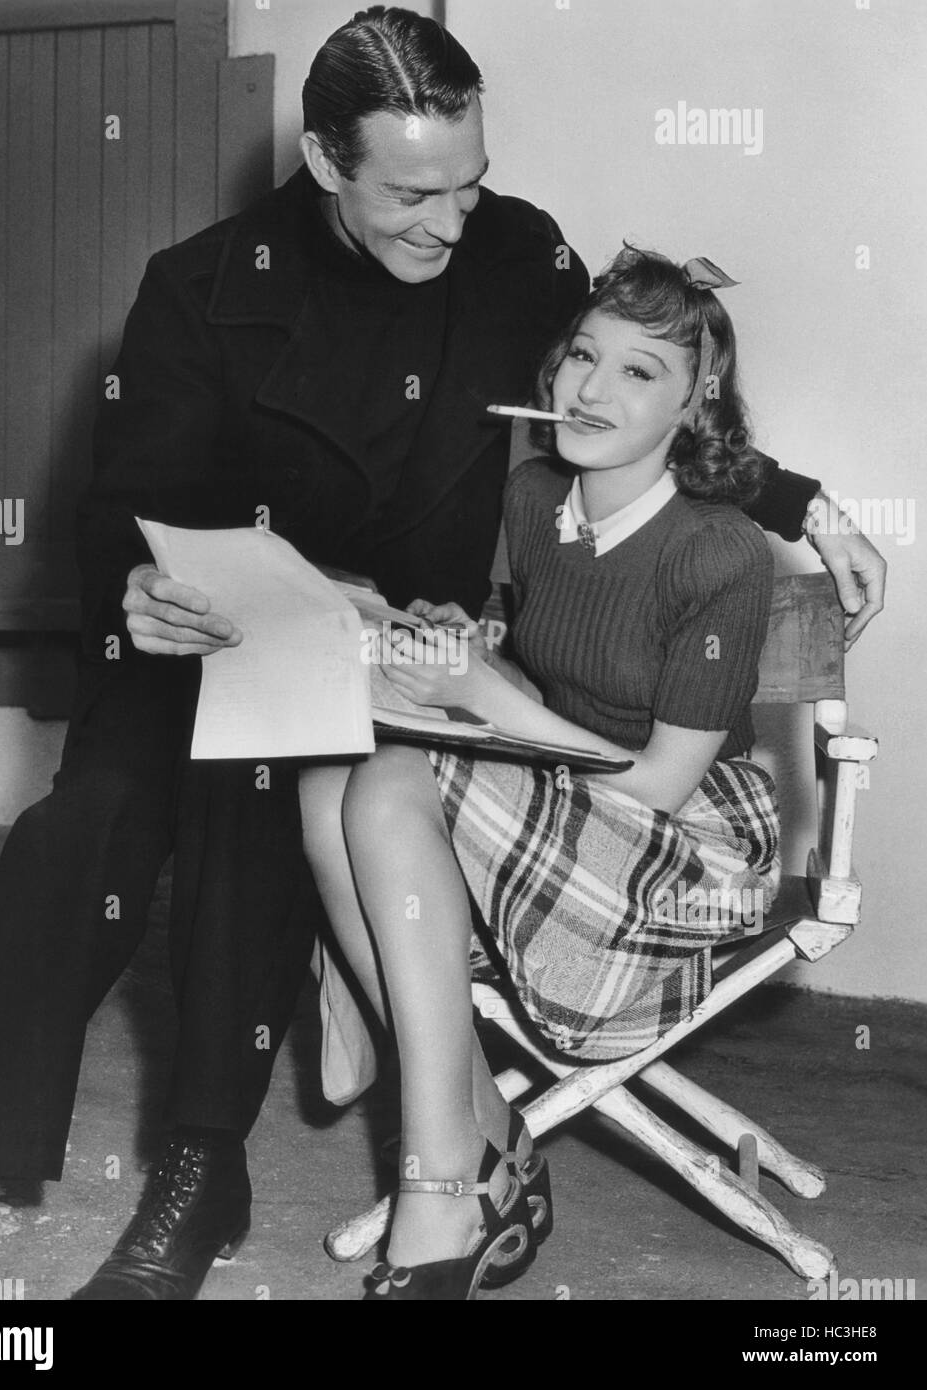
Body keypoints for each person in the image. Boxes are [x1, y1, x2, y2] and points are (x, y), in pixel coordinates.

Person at [0, 7, 883, 1303]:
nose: (450, 216)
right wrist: (140, 590)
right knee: (84, 819)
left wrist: (797, 498)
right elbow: (121, 503)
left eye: (468, 181)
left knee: (259, 805)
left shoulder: (513, 251)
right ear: (323, 160)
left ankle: (199, 1171)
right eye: (414, 192)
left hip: (403, 664)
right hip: (207, 638)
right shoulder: (198, 285)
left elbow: (645, 398)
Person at [300, 246, 783, 1300]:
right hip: (568, 789)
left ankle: (443, 1172)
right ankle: (476, 1135)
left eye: (637, 371)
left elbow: (658, 779)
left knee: (382, 783)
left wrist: (490, 698)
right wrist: (452, 642)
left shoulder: (724, 555)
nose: (588, 387)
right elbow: (529, 656)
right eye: (579, 354)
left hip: (684, 844)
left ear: (695, 407)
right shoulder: (532, 495)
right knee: (320, 775)